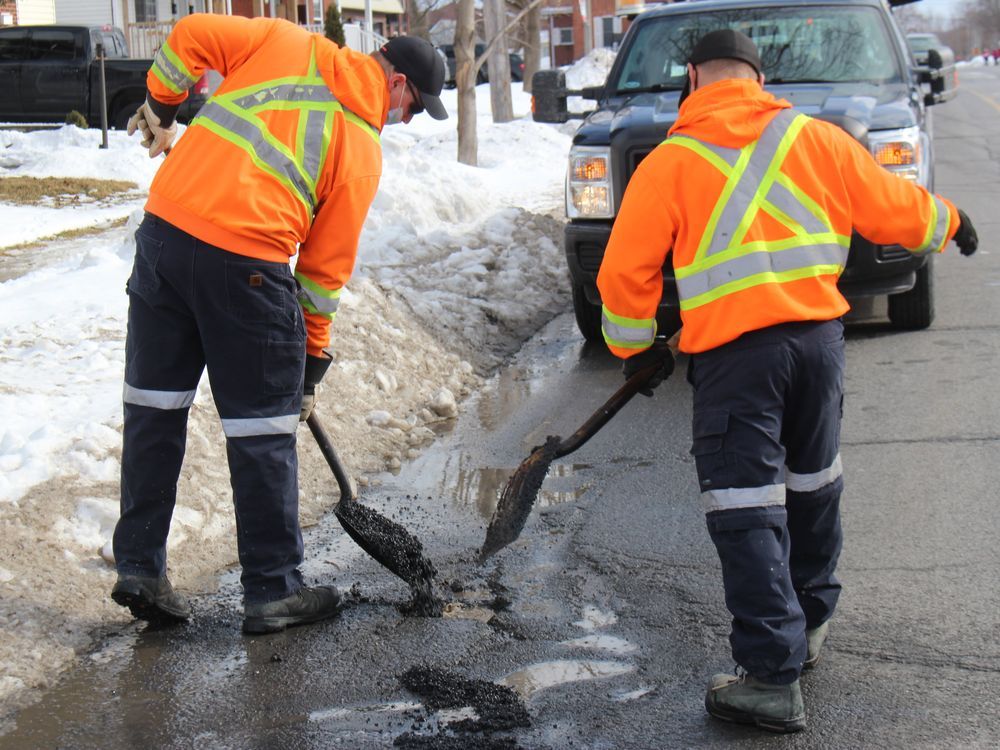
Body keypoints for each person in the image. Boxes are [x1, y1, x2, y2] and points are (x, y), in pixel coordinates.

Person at [597, 29, 978, 733]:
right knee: (813, 485)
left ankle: (772, 678)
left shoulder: (671, 161)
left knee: (746, 508)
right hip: (818, 346)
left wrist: (635, 347)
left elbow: (625, 274)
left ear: (692, 79)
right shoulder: (818, 139)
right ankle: (809, 623)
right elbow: (894, 206)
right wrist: (950, 221)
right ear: (758, 79)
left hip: (738, 360)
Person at [111, 13, 447, 635]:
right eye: (414, 107)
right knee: (261, 430)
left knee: (155, 408)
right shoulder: (360, 149)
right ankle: (273, 589)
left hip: (164, 239)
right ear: (397, 82)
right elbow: (321, 276)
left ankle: (139, 568)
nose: (407, 120)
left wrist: (161, 102)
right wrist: (311, 363)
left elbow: (189, 35)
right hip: (246, 266)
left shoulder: (286, 42)